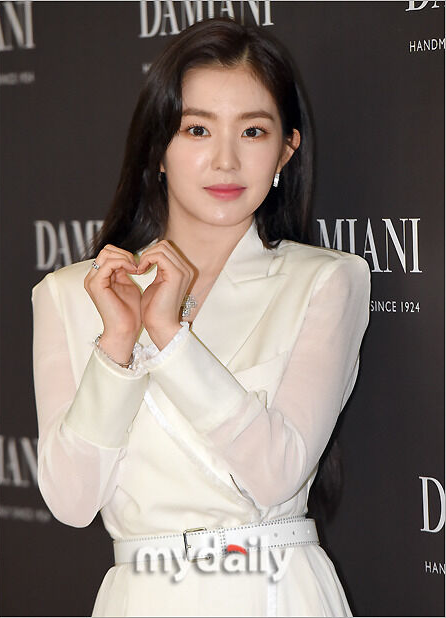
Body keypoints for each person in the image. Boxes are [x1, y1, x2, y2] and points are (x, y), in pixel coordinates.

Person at [32, 17, 370, 618]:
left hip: (273, 592)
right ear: (158, 148)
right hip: (141, 597)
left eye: (253, 131)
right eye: (196, 129)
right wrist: (117, 344)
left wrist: (170, 339)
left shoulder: (325, 281)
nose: (225, 160)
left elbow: (276, 474)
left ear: (285, 151)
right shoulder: (71, 294)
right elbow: (72, 501)